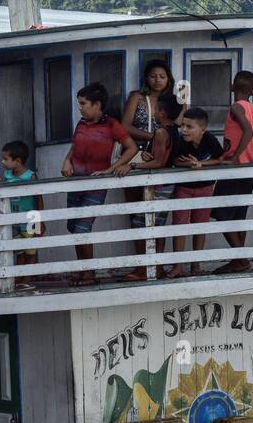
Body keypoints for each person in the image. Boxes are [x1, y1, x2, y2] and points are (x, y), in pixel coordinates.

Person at [61, 82, 138, 286]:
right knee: (73, 227)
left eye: (83, 103)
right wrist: (67, 160)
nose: (80, 107)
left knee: (81, 229)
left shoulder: (111, 124)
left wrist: (112, 168)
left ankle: (89, 274)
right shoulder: (81, 123)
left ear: (97, 104)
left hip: (95, 184)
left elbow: (131, 147)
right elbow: (75, 146)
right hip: (76, 182)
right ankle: (83, 270)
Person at [121, 92, 183, 281]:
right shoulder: (173, 130)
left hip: (160, 184)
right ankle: (157, 267)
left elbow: (158, 163)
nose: (154, 112)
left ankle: (144, 269)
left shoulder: (161, 131)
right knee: (157, 226)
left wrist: (132, 165)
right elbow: (163, 158)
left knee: (141, 224)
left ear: (162, 112)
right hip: (168, 184)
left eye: (156, 109)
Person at [165, 107, 224, 279]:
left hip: (205, 188)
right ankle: (177, 266)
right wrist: (187, 164)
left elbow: (220, 159)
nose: (184, 130)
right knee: (180, 226)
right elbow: (174, 160)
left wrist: (201, 164)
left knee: (200, 226)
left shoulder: (210, 140)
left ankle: (195, 264)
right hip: (183, 188)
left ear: (202, 129)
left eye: (189, 127)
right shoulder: (180, 141)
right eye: (182, 125)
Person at [210, 71, 253, 274]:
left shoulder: (236, 107)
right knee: (238, 217)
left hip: (235, 169)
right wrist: (246, 156)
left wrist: (234, 157)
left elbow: (247, 131)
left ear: (232, 87)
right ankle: (238, 259)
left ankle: (241, 257)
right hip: (248, 170)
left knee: (220, 213)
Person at [0, 140, 42, 290]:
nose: (2, 162)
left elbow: (38, 198)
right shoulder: (8, 175)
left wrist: (40, 219)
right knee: (19, 251)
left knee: (30, 250)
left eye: (6, 159)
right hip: (13, 219)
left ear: (17, 161)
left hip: (30, 218)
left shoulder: (30, 176)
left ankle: (27, 278)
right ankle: (19, 277)